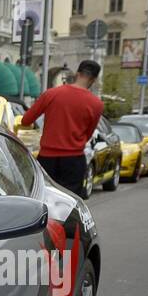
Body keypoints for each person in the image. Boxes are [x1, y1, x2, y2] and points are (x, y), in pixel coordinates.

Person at [21, 60, 106, 197]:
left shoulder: (51, 94)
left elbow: (26, 120)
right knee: (69, 203)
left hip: (47, 159)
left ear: (77, 74)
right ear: (94, 80)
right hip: (74, 160)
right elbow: (88, 134)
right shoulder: (96, 104)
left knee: (43, 200)